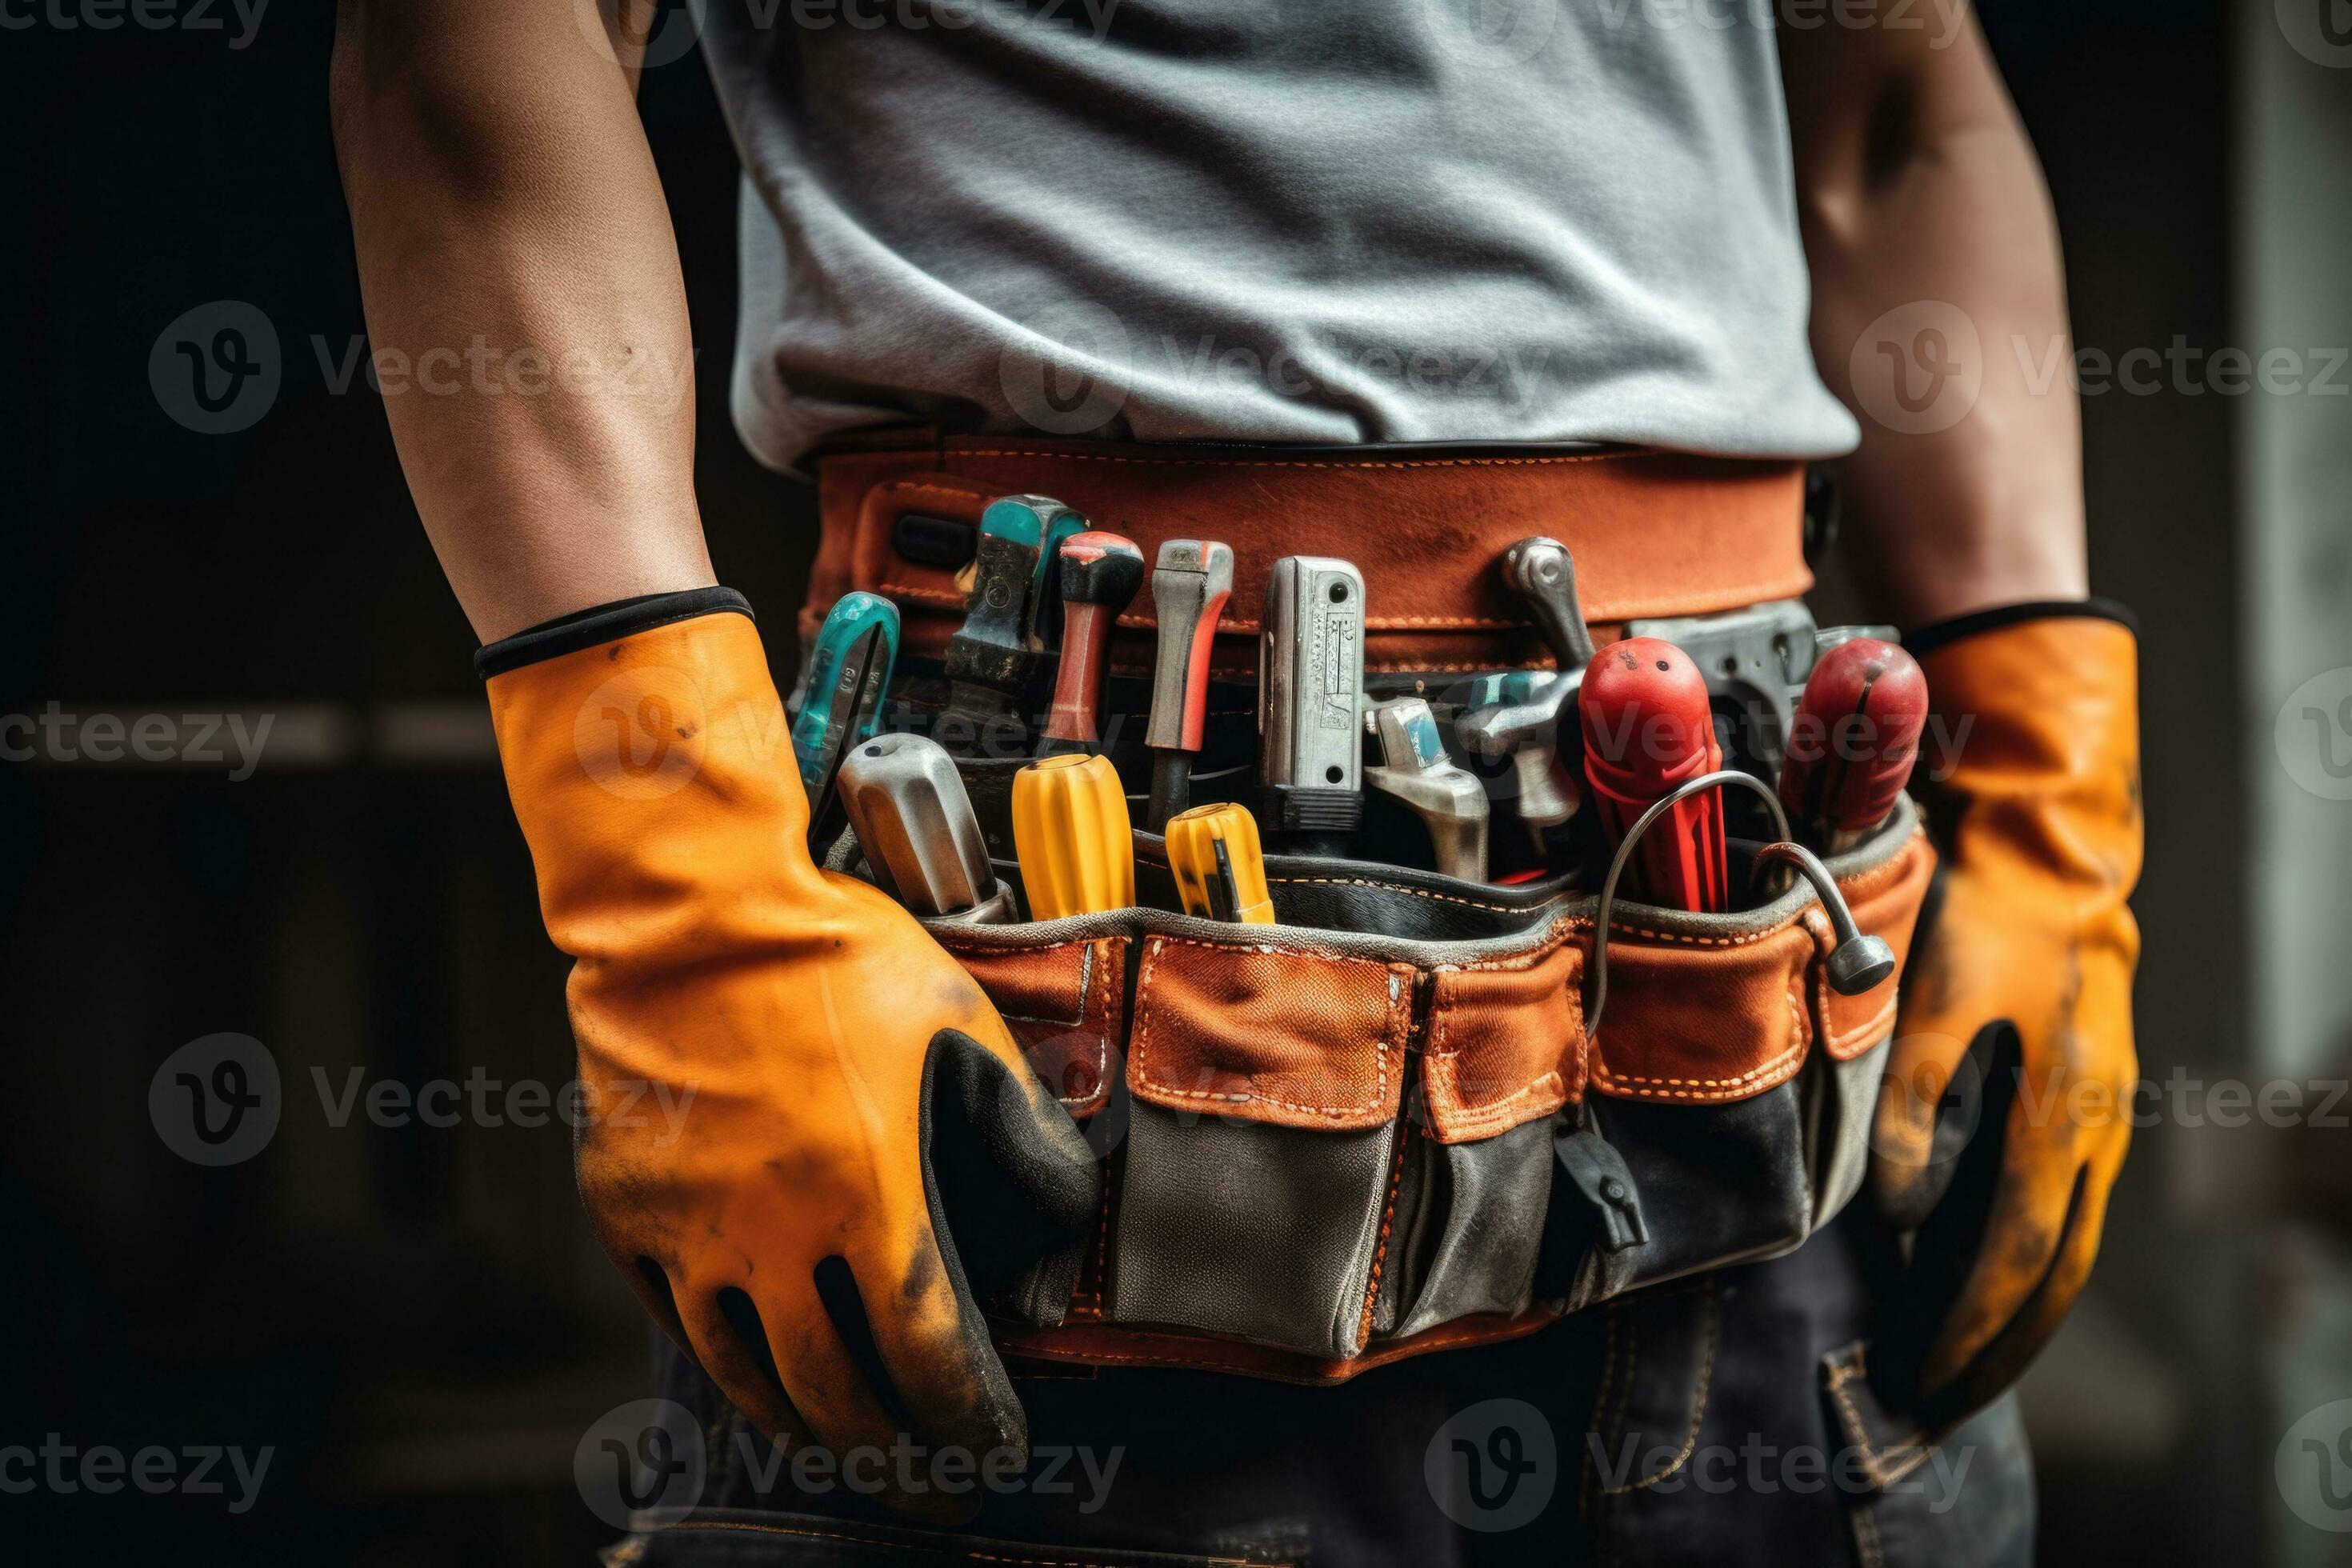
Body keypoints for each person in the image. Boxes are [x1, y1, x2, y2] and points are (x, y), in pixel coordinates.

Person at [330, 2, 2139, 1561]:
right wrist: (680, 884)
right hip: (1057, 952)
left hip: (1762, 937)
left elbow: (1900, 113)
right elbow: (476, 45)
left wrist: (2051, 773)